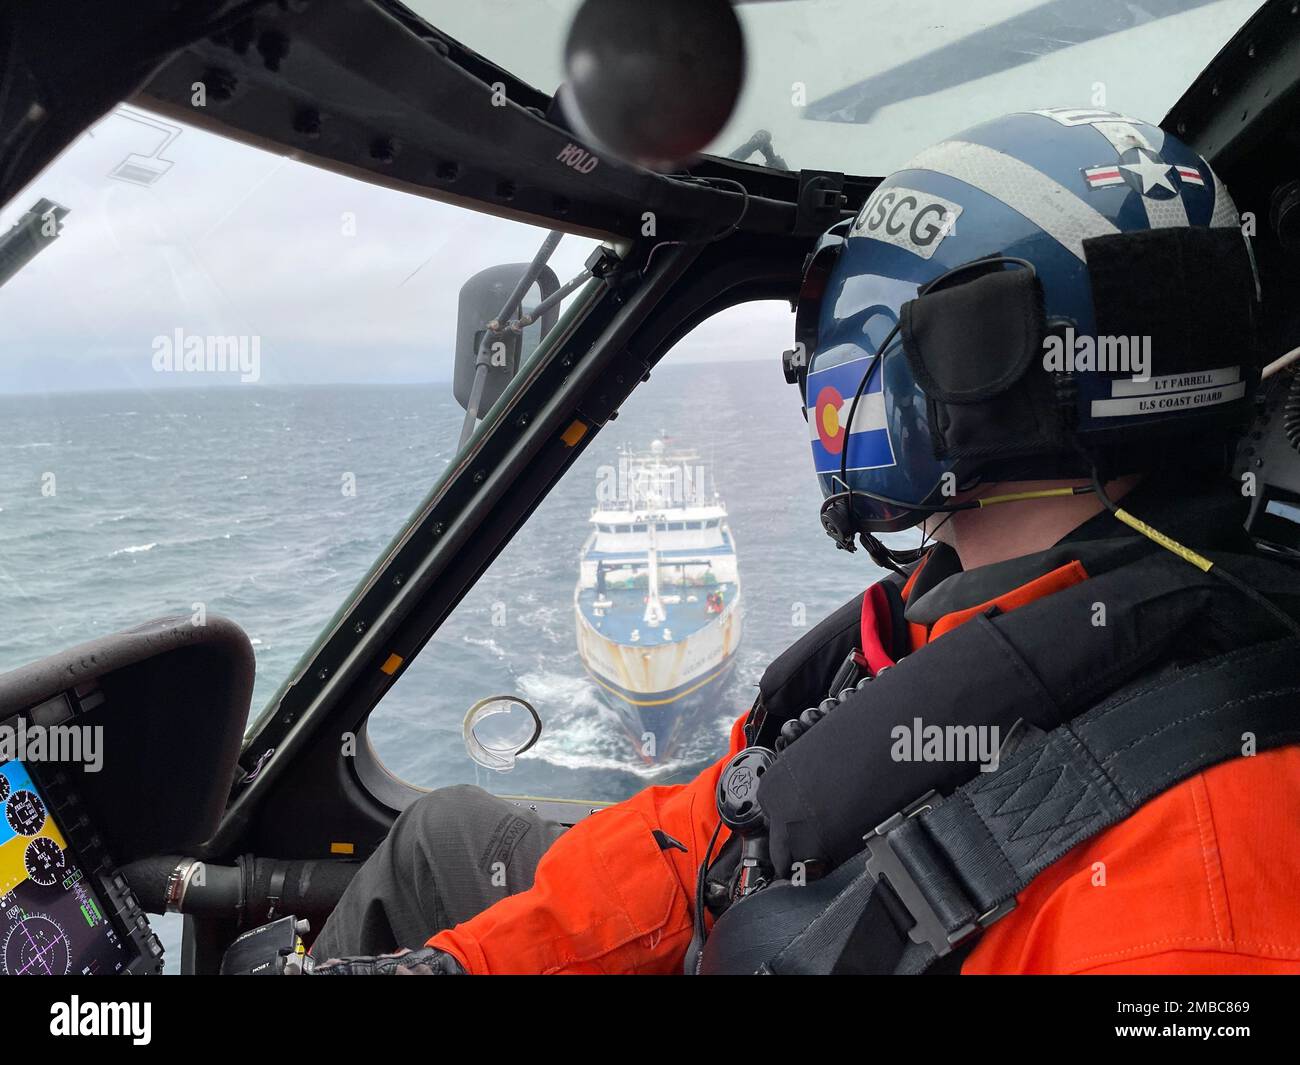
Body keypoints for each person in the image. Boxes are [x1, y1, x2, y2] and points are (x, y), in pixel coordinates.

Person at [309, 110, 1300, 975]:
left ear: (970, 364)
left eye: (849, 341)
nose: (822, 381)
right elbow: (722, 826)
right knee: (440, 837)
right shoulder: (957, 615)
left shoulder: (1187, 913)